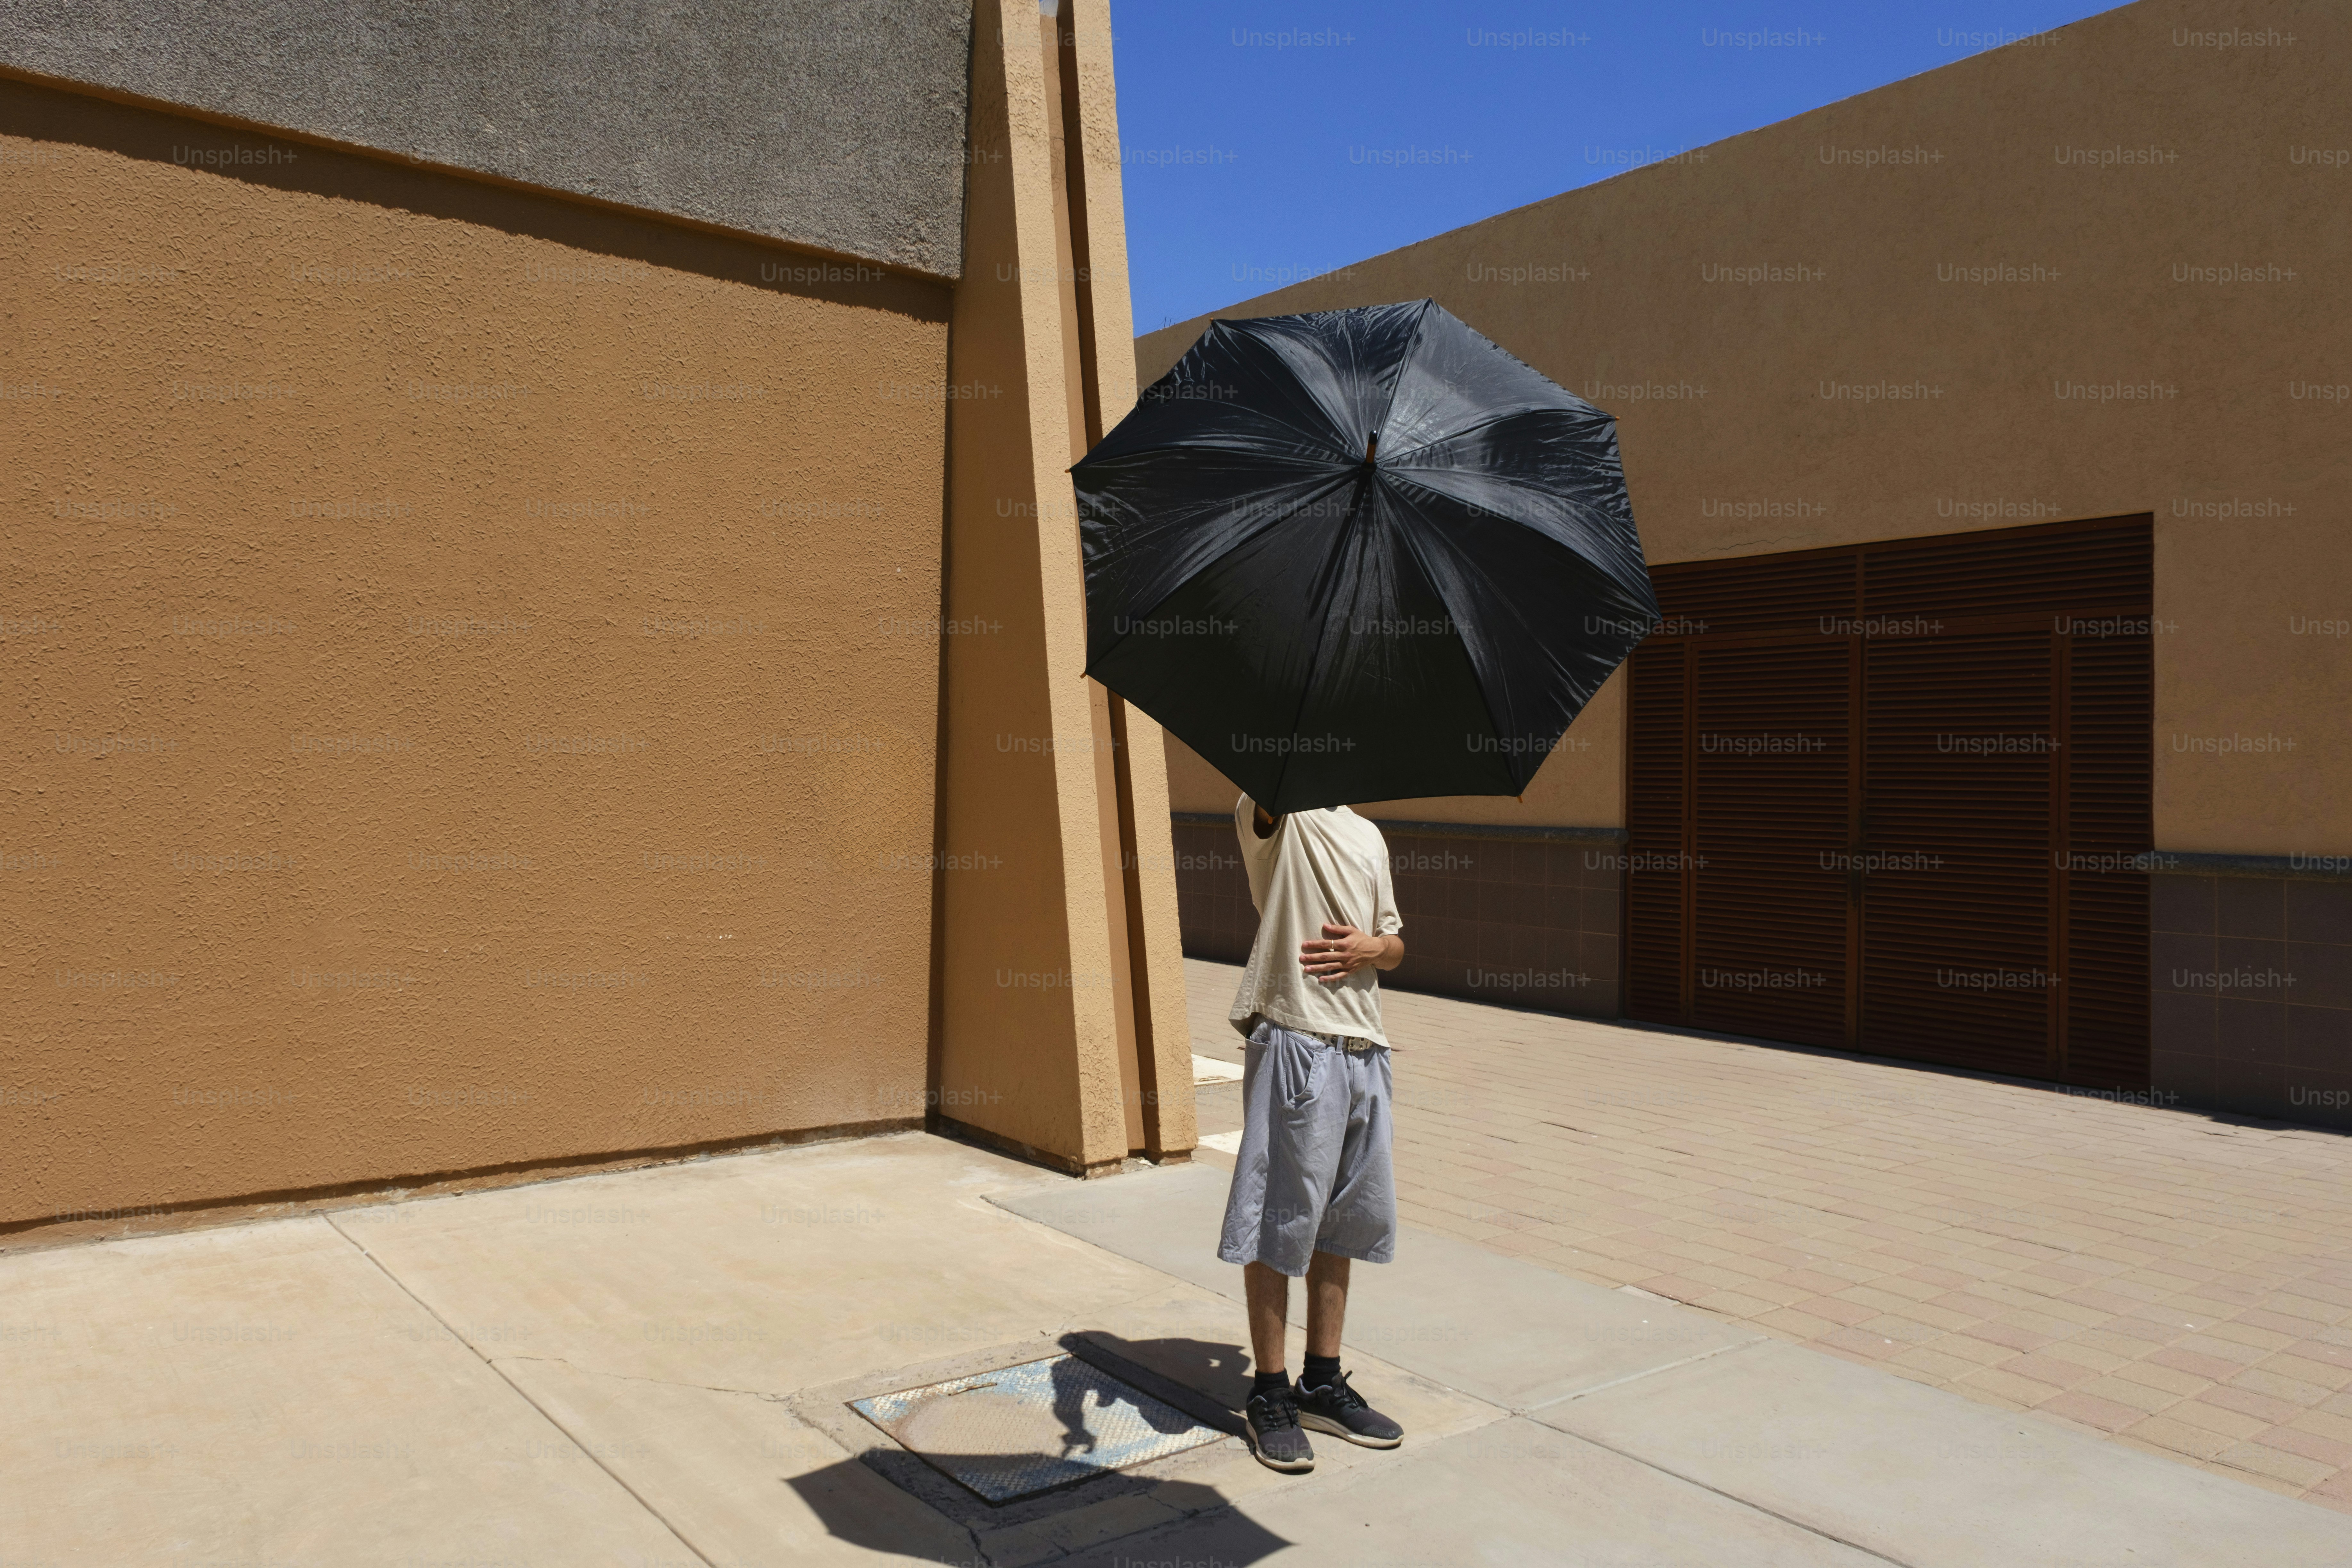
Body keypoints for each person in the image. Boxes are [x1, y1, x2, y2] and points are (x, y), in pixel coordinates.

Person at [1218, 792, 1407, 1473]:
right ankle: (1269, 1392)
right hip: (1297, 1039)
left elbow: (1394, 943)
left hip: (1365, 1045)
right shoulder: (1279, 814)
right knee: (1280, 1214)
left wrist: (1373, 946)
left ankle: (1321, 1383)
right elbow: (1265, 796)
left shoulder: (1368, 834)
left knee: (1343, 1221)